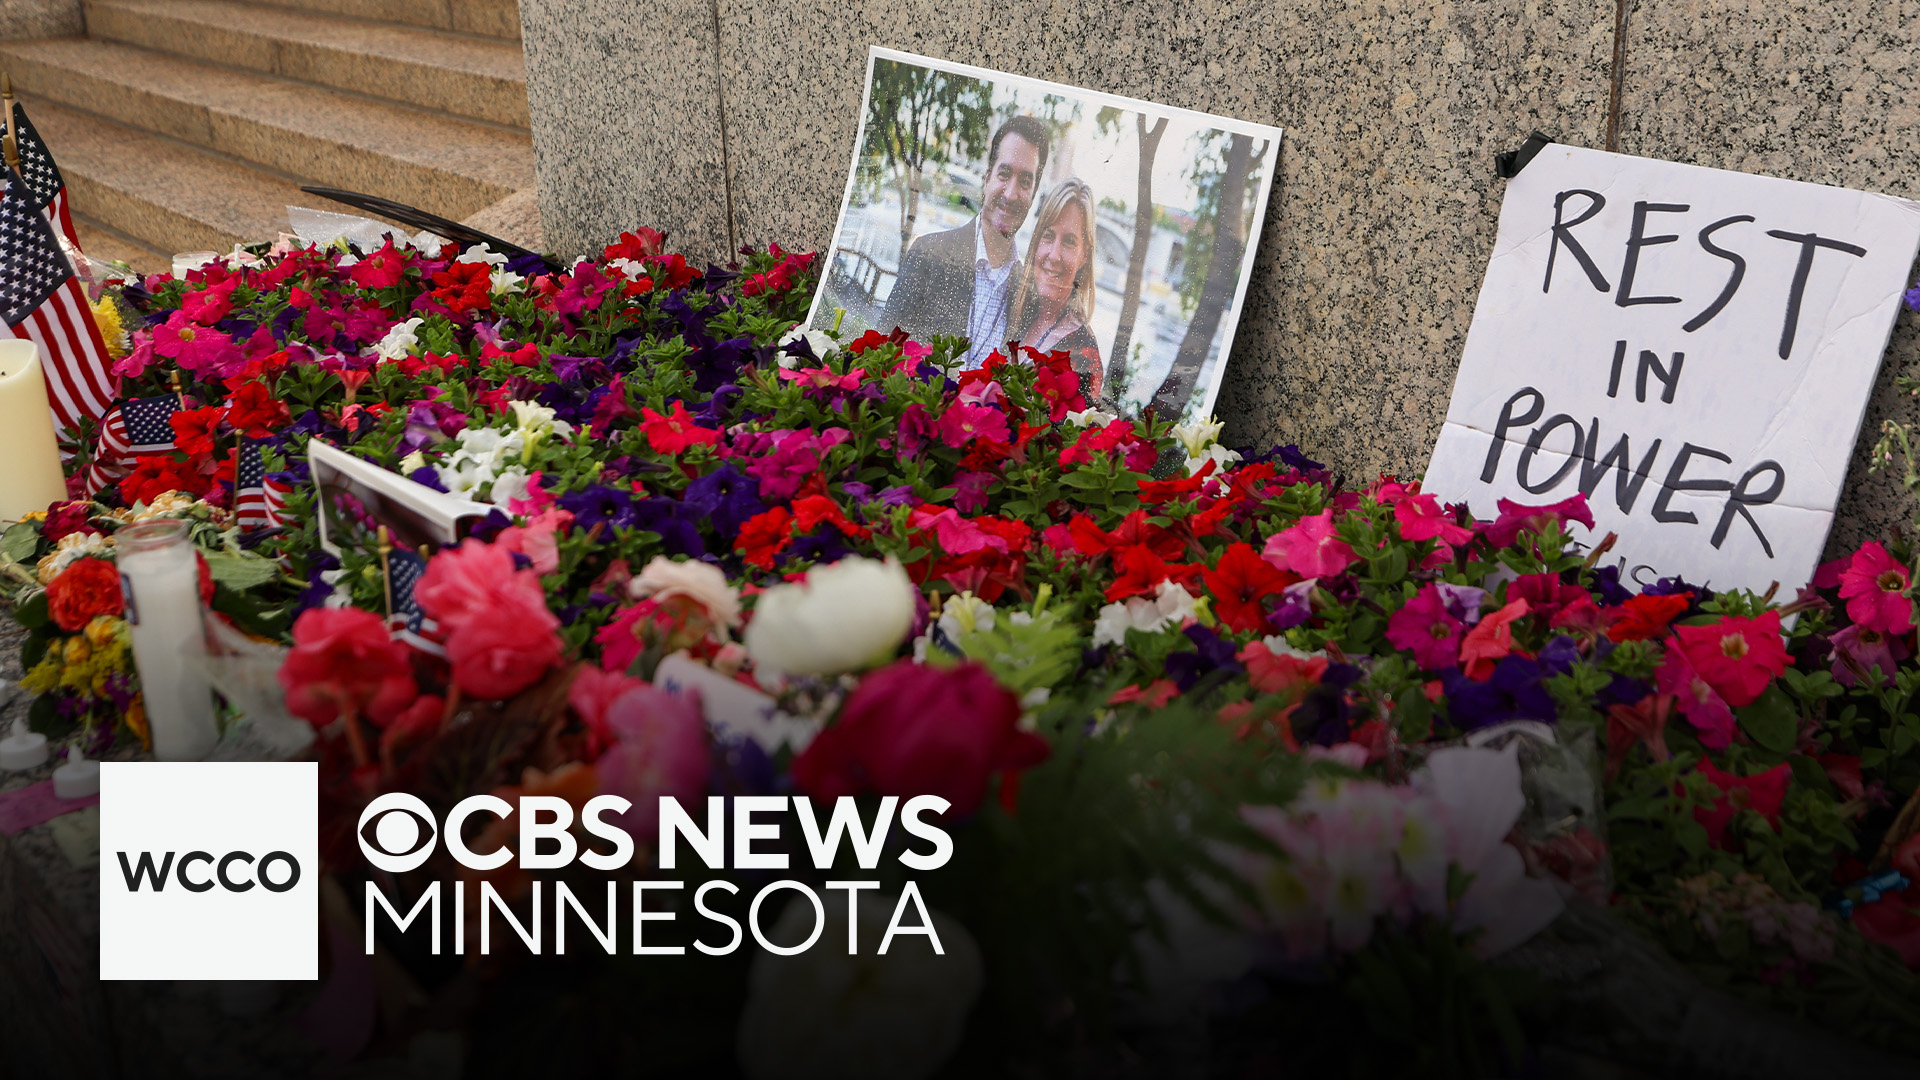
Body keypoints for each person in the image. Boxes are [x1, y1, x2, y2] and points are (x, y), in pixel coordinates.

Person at [882, 115, 1050, 365]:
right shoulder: (928, 254)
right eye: (1004, 174)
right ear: (987, 178)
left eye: (1025, 181)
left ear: (1034, 193)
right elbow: (877, 356)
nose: (1012, 194)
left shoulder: (1029, 296)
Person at [1005, 177, 1103, 403]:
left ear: (1084, 256)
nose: (1054, 255)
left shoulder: (1083, 353)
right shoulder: (1013, 310)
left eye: (1069, 242)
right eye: (1048, 236)